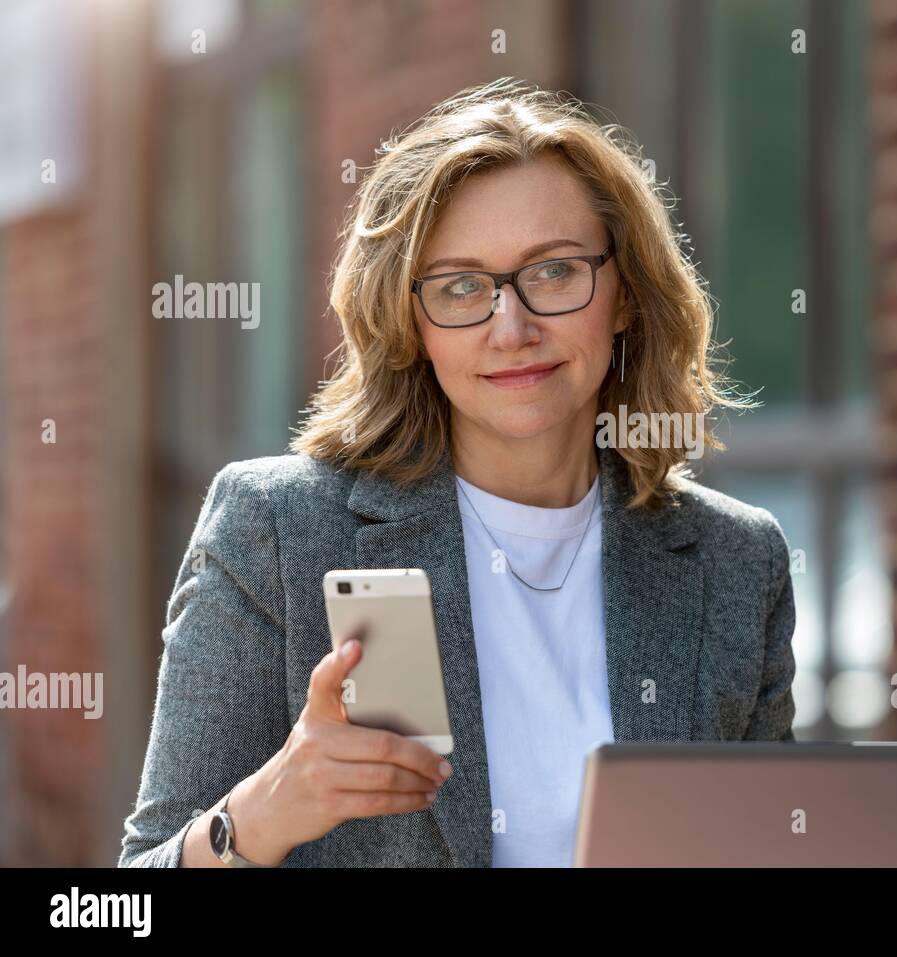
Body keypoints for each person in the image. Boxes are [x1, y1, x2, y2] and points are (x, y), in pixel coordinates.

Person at [119, 77, 797, 868]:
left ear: (624, 296)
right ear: (413, 324)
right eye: (462, 287)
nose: (511, 328)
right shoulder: (279, 531)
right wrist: (267, 809)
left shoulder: (736, 561)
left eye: (553, 272)